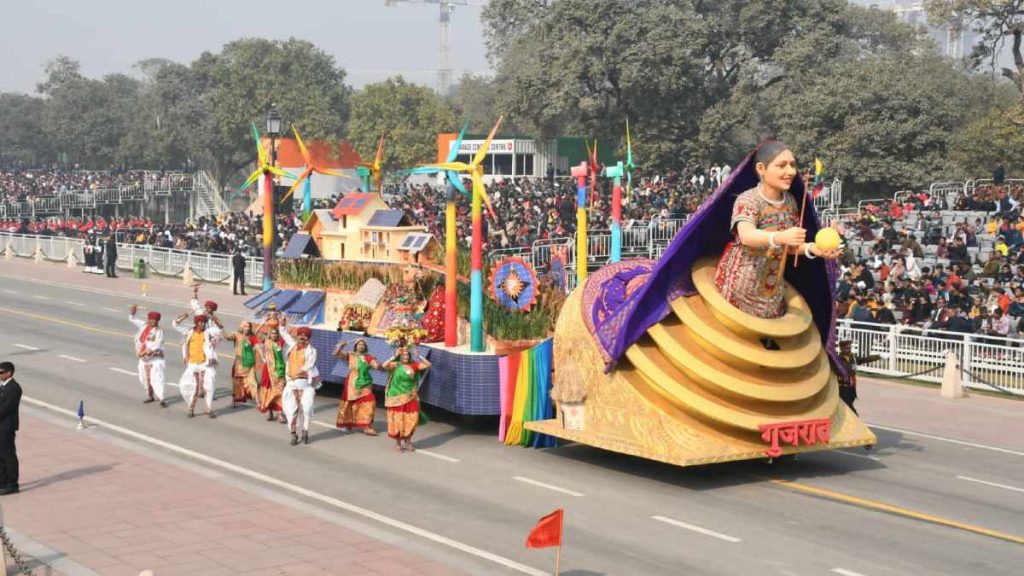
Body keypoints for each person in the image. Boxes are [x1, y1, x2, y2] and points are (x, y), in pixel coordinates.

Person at [172, 312, 221, 418]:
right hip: (192, 365)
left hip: (205, 364)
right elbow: (175, 324)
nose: (202, 324)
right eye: (200, 322)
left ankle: (209, 409)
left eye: (204, 322)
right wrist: (183, 317)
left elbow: (219, 330)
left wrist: (215, 320)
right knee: (192, 387)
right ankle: (191, 408)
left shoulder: (208, 333)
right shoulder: (189, 332)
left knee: (208, 386)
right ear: (196, 323)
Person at [382, 347, 431, 453]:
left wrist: (419, 355)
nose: (405, 357)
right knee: (398, 421)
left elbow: (428, 365)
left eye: (407, 355)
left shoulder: (413, 366)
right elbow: (384, 365)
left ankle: (408, 441)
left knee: (411, 420)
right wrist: (394, 356)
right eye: (403, 355)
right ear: (401, 356)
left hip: (410, 396)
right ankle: (398, 443)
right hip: (396, 397)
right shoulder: (395, 365)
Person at [333, 339, 381, 435]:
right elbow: (335, 354)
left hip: (365, 383)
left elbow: (377, 367)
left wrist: (377, 363)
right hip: (352, 382)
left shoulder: (368, 357)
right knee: (350, 403)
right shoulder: (351, 355)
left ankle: (367, 426)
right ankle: (348, 424)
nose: (361, 346)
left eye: (363, 344)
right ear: (356, 346)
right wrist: (341, 346)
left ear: (365, 347)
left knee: (370, 402)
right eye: (359, 344)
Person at [281, 326, 319, 445]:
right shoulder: (292, 345)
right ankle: (293, 434)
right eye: (300, 335)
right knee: (291, 410)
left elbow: (309, 365)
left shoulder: (311, 350)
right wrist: (282, 325)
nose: (302, 338)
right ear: (297, 337)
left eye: (305, 336)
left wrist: (298, 372)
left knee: (306, 409)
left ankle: (305, 430)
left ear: (308, 339)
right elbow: (284, 333)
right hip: (291, 384)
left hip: (305, 384)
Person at [128, 305, 167, 407]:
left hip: (155, 358)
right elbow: (132, 319)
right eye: (152, 320)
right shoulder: (143, 325)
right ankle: (150, 395)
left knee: (157, 377)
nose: (154, 322)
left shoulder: (159, 331)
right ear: (148, 319)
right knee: (144, 378)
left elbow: (156, 345)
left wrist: (145, 352)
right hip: (143, 358)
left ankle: (161, 398)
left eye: (156, 320)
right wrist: (133, 312)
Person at [835, 340, 880, 417]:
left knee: (847, 405)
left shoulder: (853, 358)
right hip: (842, 387)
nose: (848, 349)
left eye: (849, 348)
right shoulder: (838, 359)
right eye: (846, 348)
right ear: (841, 349)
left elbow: (864, 359)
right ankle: (855, 418)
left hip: (851, 387)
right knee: (848, 406)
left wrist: (878, 357)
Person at [223, 321, 260, 408]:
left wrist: (262, 355)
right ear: (242, 327)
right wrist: (221, 328)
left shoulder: (252, 337)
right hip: (239, 363)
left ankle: (258, 401)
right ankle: (234, 401)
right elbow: (227, 337)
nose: (247, 328)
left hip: (249, 364)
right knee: (236, 383)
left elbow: (257, 346)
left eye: (248, 326)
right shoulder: (236, 335)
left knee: (253, 382)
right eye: (245, 326)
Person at [257, 325, 288, 423]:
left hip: (279, 371)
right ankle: (270, 412)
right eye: (272, 333)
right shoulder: (266, 342)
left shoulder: (280, 342)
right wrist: (264, 322)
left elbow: (286, 336)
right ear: (269, 335)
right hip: (268, 371)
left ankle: (280, 414)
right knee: (269, 391)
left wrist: (283, 325)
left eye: (276, 333)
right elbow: (257, 332)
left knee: (279, 391)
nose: (274, 335)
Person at [0, 361, 21, 495]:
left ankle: (12, 483)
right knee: (0, 456)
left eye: (1, 372)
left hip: (6, 427)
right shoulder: (3, 386)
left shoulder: (14, 388)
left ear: (9, 373)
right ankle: (2, 481)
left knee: (8, 455)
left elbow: (5, 409)